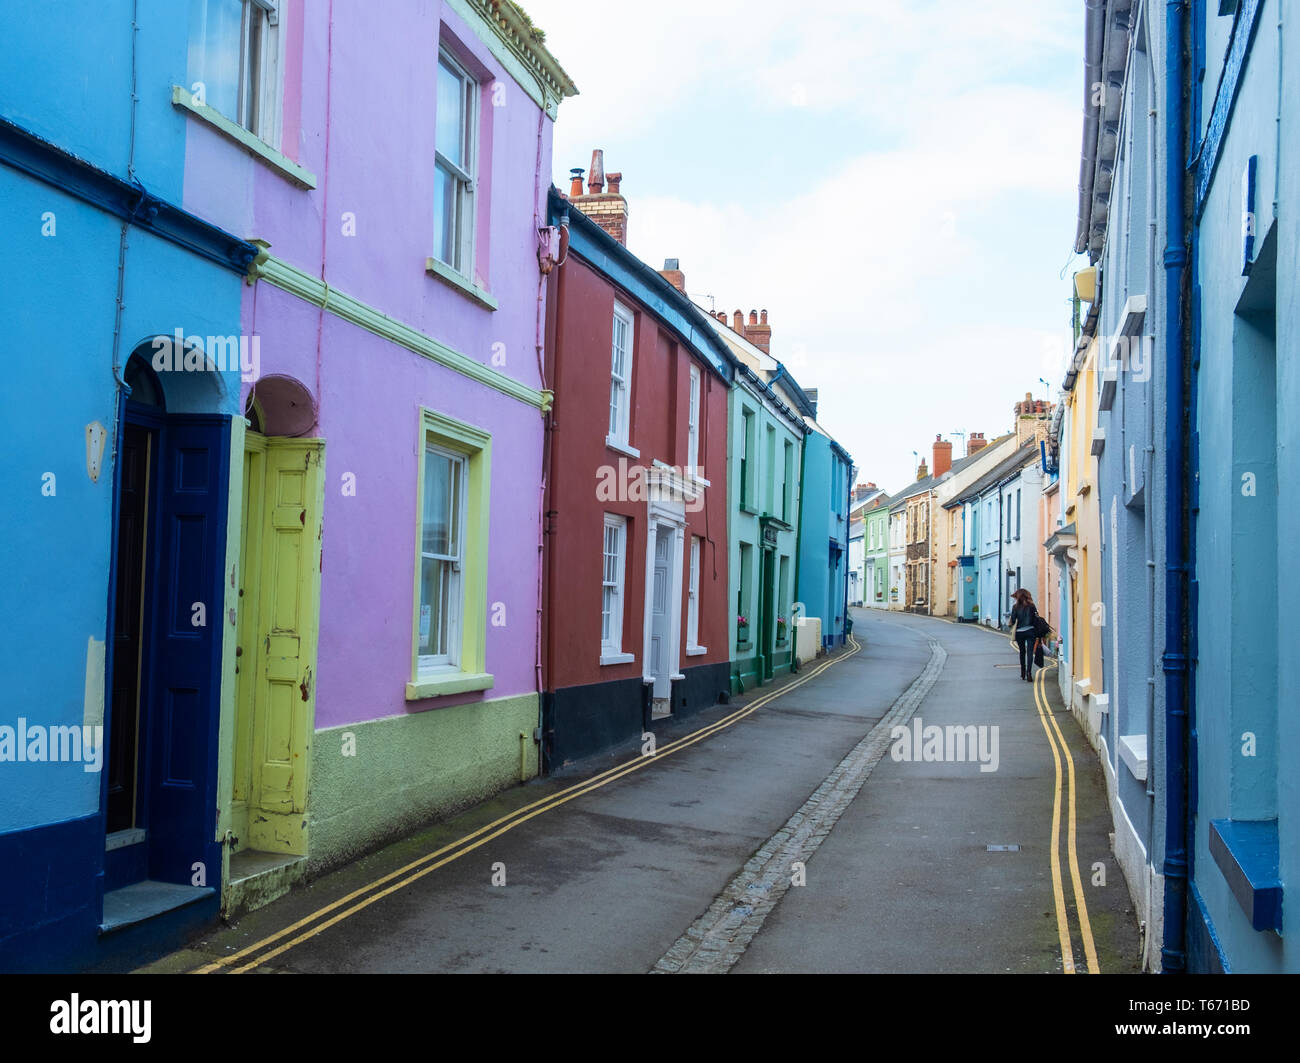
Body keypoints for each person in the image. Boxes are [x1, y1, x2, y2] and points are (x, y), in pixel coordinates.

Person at [1008, 588, 1040, 681]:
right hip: (1030, 631)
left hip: (1019, 633)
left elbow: (1013, 620)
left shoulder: (1015, 607)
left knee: (1022, 652)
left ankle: (1022, 672)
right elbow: (1035, 619)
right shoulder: (1032, 606)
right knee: (1030, 652)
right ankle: (1029, 673)